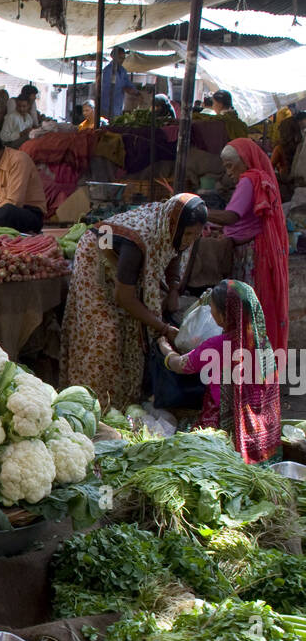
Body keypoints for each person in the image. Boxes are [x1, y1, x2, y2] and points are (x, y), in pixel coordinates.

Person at [60, 193, 207, 409]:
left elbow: (175, 252)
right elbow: (124, 297)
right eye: (188, 233)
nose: (190, 239)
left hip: (120, 255)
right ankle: (95, 404)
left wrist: (174, 289)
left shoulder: (173, 229)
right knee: (105, 332)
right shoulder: (139, 239)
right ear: (175, 225)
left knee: (130, 327)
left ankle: (125, 400)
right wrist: (164, 328)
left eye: (196, 234)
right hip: (99, 252)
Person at [157, 279, 280, 464]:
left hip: (225, 431)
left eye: (213, 309)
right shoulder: (263, 342)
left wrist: (164, 347)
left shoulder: (217, 346)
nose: (211, 312)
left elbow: (180, 365)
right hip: (261, 433)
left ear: (223, 315)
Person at [207, 138, 289, 353]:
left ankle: (247, 356)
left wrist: (196, 209)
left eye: (230, 166)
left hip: (251, 255)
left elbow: (232, 216)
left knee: (245, 310)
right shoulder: (256, 179)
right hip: (253, 249)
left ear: (244, 161)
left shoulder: (249, 180)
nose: (228, 172)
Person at [100, 47, 130, 119]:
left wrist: (136, 92)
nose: (122, 60)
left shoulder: (123, 71)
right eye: (120, 58)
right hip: (106, 108)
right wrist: (124, 88)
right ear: (113, 57)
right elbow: (108, 88)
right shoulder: (107, 71)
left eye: (123, 58)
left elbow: (128, 84)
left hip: (118, 108)